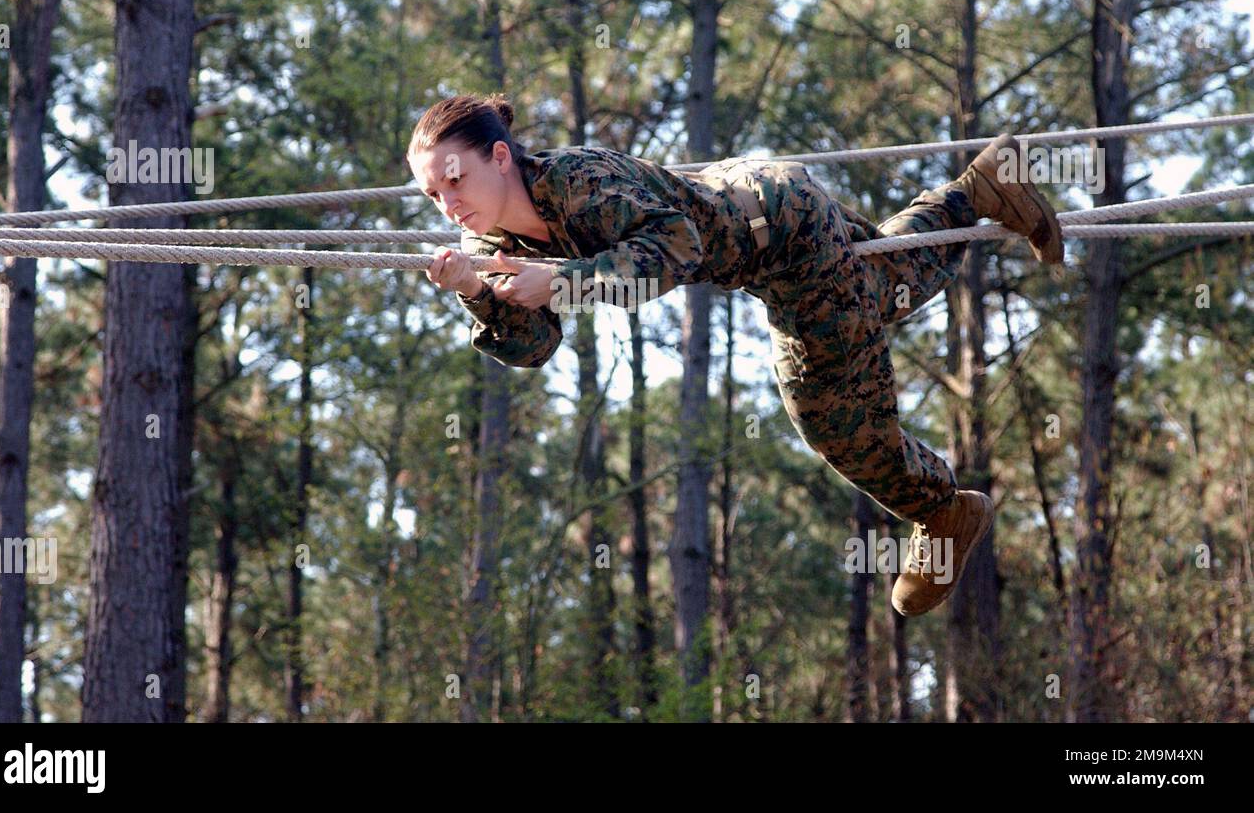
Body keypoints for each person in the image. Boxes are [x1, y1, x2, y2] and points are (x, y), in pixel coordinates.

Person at [406, 93, 1063, 617]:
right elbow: (537, 342)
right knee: (883, 285)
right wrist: (473, 289)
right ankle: (982, 189)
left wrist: (564, 281)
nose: (449, 203)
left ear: (498, 156)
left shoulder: (578, 182)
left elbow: (677, 249)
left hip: (779, 231)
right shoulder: (501, 240)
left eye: (454, 179)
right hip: (766, 214)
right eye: (434, 195)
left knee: (827, 413)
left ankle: (941, 508)